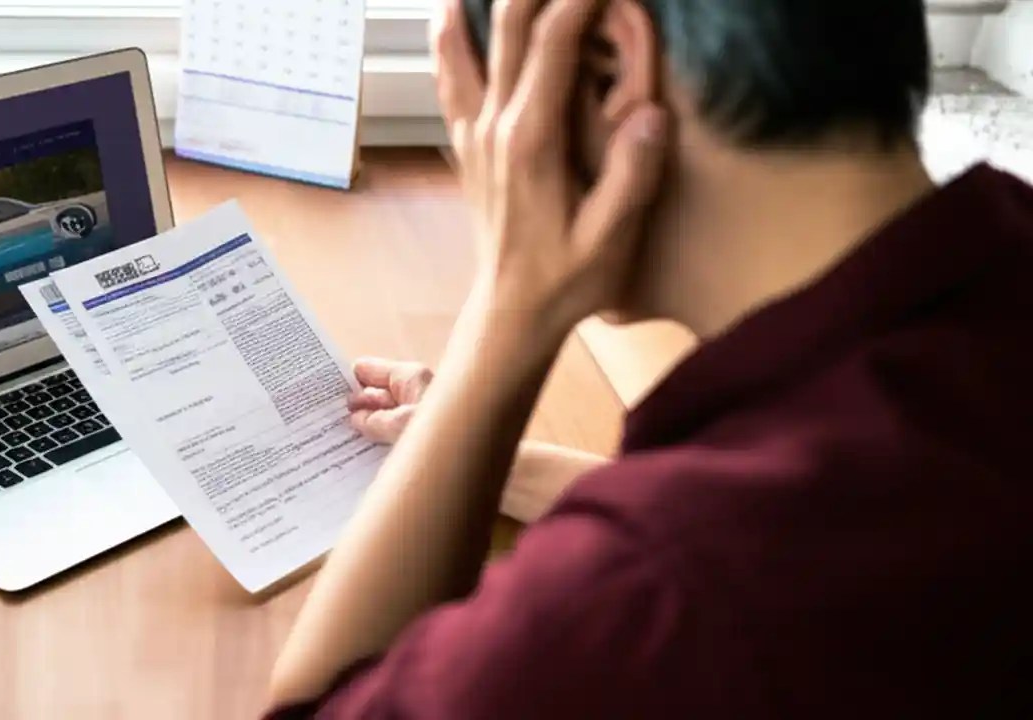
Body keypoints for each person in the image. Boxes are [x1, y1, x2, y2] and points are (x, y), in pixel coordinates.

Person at [266, 0, 1033, 716]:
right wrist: (485, 454)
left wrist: (506, 318)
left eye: (476, 98)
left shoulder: (674, 592)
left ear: (605, 68)